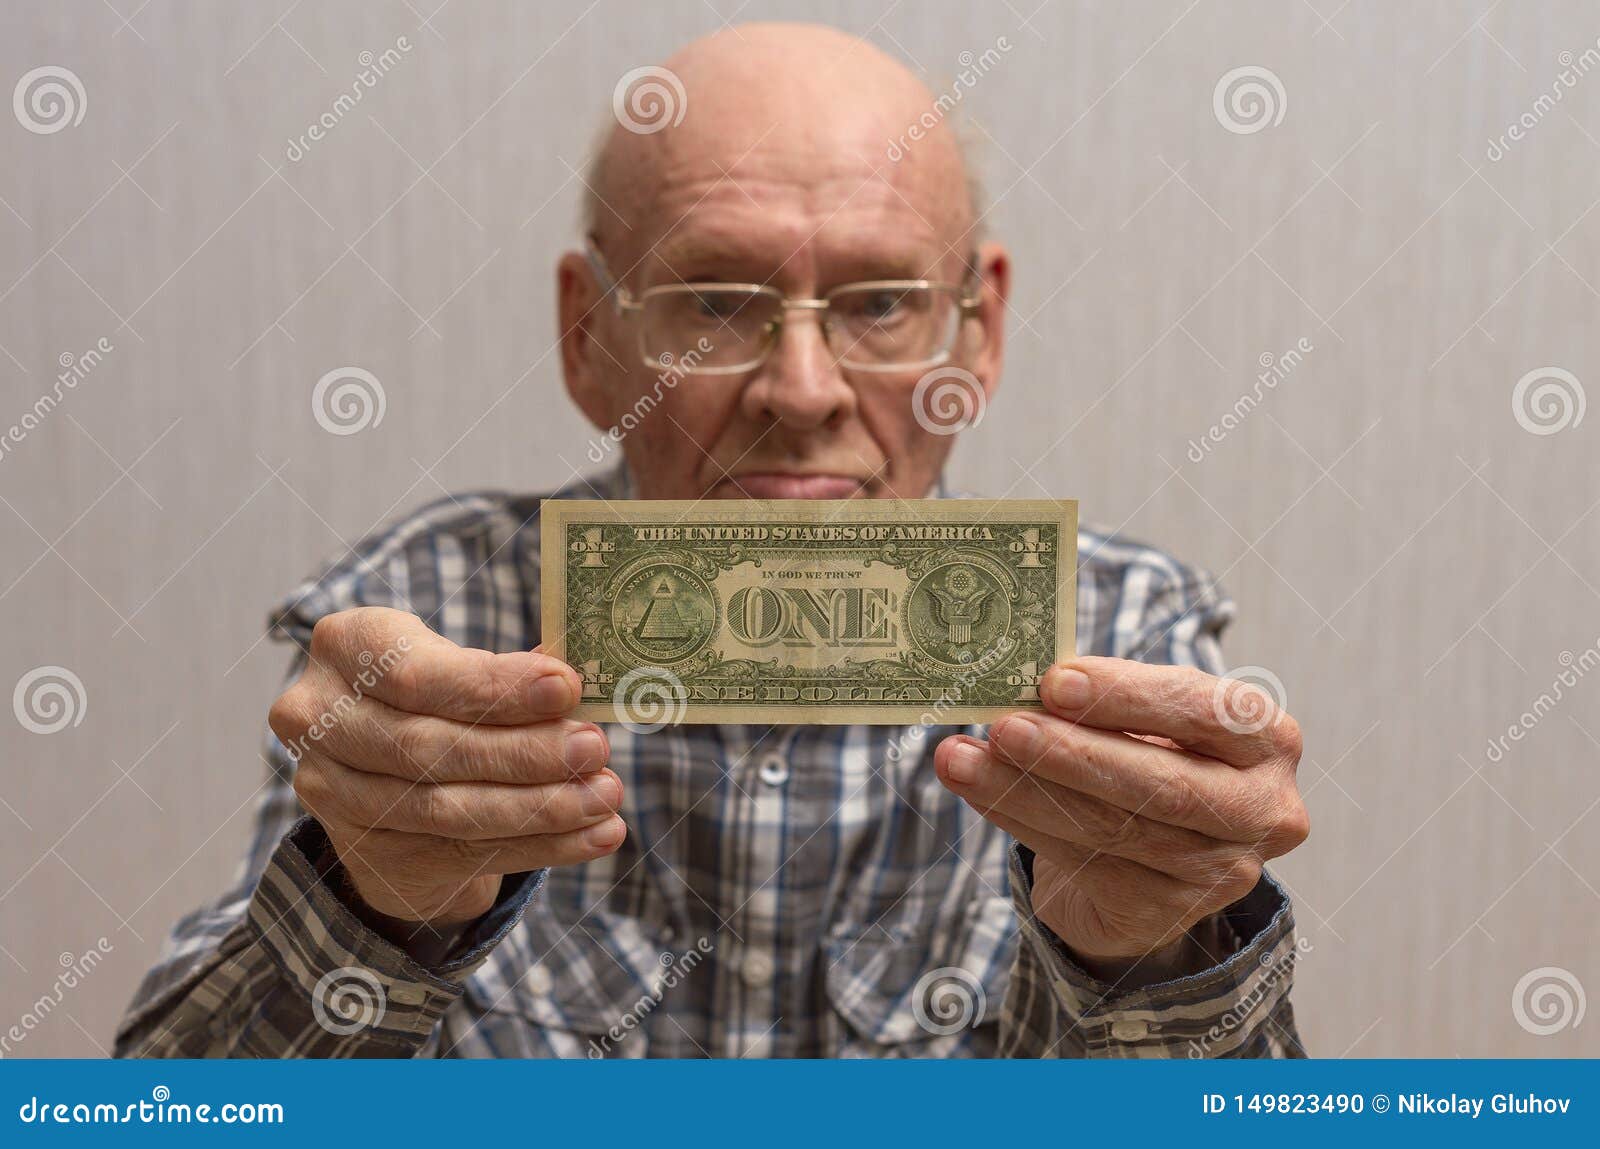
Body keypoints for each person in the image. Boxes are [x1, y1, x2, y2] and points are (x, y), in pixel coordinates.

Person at [116, 22, 1308, 1058]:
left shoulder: (1121, 641)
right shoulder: (425, 622)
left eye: (880, 303)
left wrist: (1149, 960)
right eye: (715, 303)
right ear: (588, 335)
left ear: (977, 330)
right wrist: (372, 907)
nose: (802, 391)